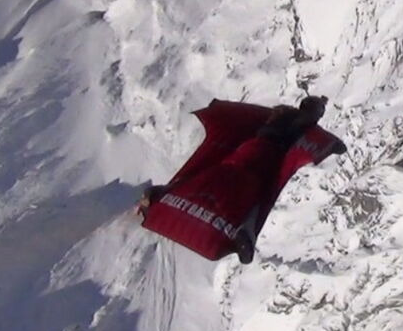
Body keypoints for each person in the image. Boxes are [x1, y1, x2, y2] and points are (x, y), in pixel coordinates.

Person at [139, 95, 345, 263]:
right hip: (265, 158)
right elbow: (328, 141)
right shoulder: (301, 123)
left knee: (209, 177)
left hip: (247, 149)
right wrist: (331, 144)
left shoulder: (278, 113)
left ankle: (162, 194)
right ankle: (244, 231)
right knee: (257, 199)